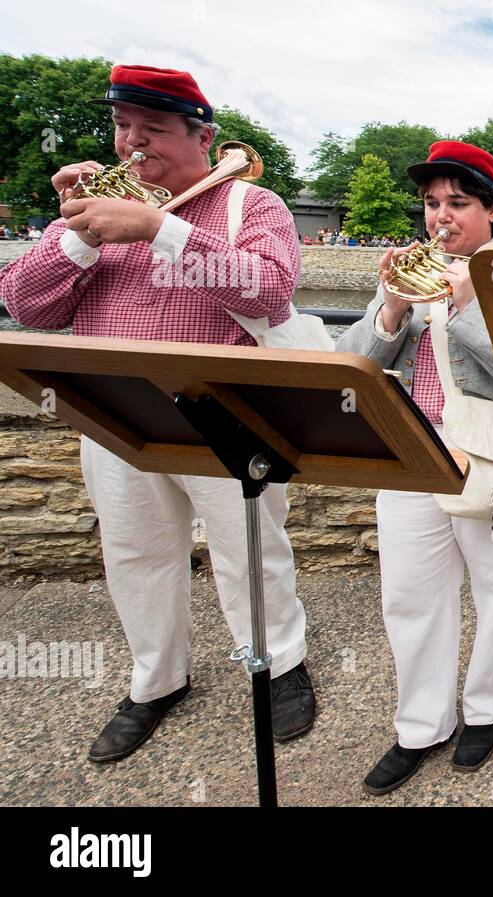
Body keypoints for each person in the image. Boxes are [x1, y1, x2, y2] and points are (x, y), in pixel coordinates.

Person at [0, 65, 317, 763]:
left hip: (224, 416)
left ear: (202, 136)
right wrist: (81, 234)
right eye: (121, 127)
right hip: (115, 416)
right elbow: (25, 305)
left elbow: (269, 290)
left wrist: (156, 229)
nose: (130, 144)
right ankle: (157, 679)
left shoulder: (251, 206)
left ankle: (280, 662)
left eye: (152, 130)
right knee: (137, 554)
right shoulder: (93, 211)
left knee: (249, 553)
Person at [336, 140, 493, 795]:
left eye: (458, 203)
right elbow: (353, 367)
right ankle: (421, 724)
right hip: (412, 449)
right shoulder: (416, 268)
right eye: (431, 204)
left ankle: (487, 706)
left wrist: (466, 306)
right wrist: (393, 306)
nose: (441, 217)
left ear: (492, 209)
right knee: (408, 594)